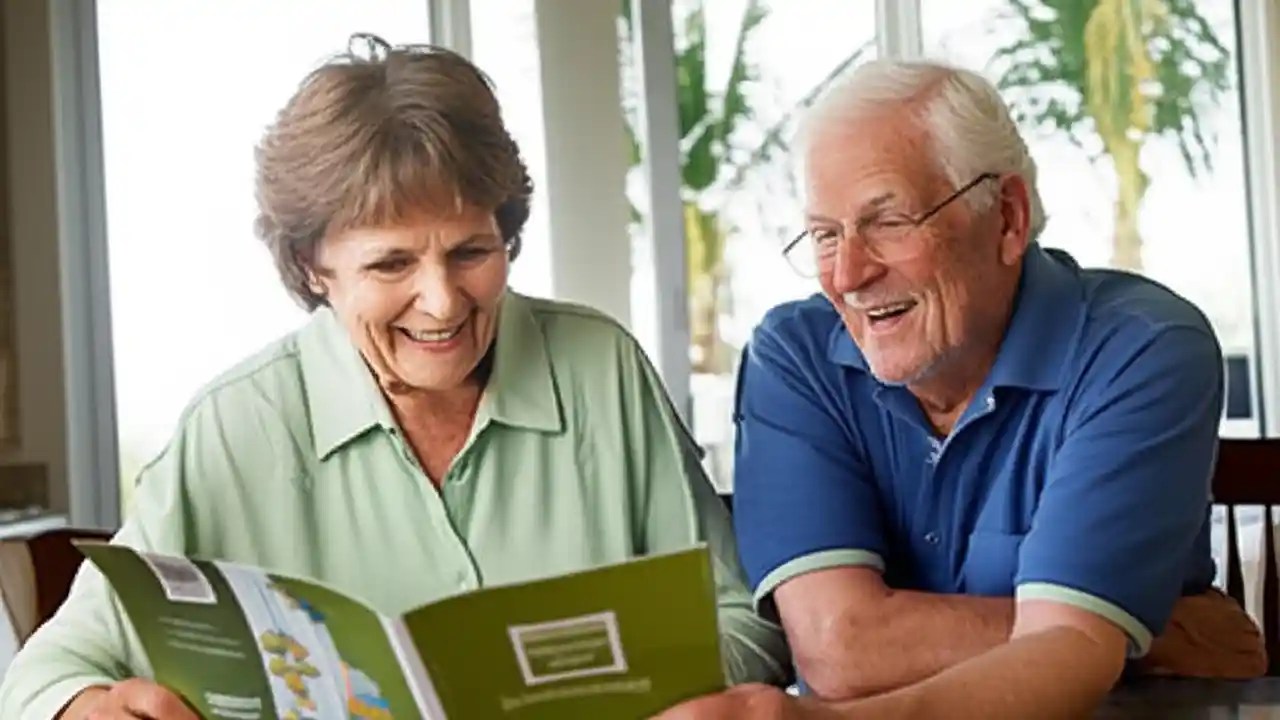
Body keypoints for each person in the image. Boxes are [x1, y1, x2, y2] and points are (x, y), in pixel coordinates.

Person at [0, 35, 789, 719]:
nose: (443, 301)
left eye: (472, 252)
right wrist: (83, 707)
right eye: (392, 263)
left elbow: (742, 618)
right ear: (314, 266)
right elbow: (48, 671)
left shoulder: (601, 369)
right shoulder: (234, 428)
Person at [656, 59, 1264, 720]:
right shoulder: (796, 356)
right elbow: (839, 649)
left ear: (1006, 217)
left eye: (888, 222)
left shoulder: (1142, 347)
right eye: (826, 235)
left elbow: (1064, 645)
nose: (850, 275)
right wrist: (1146, 639)